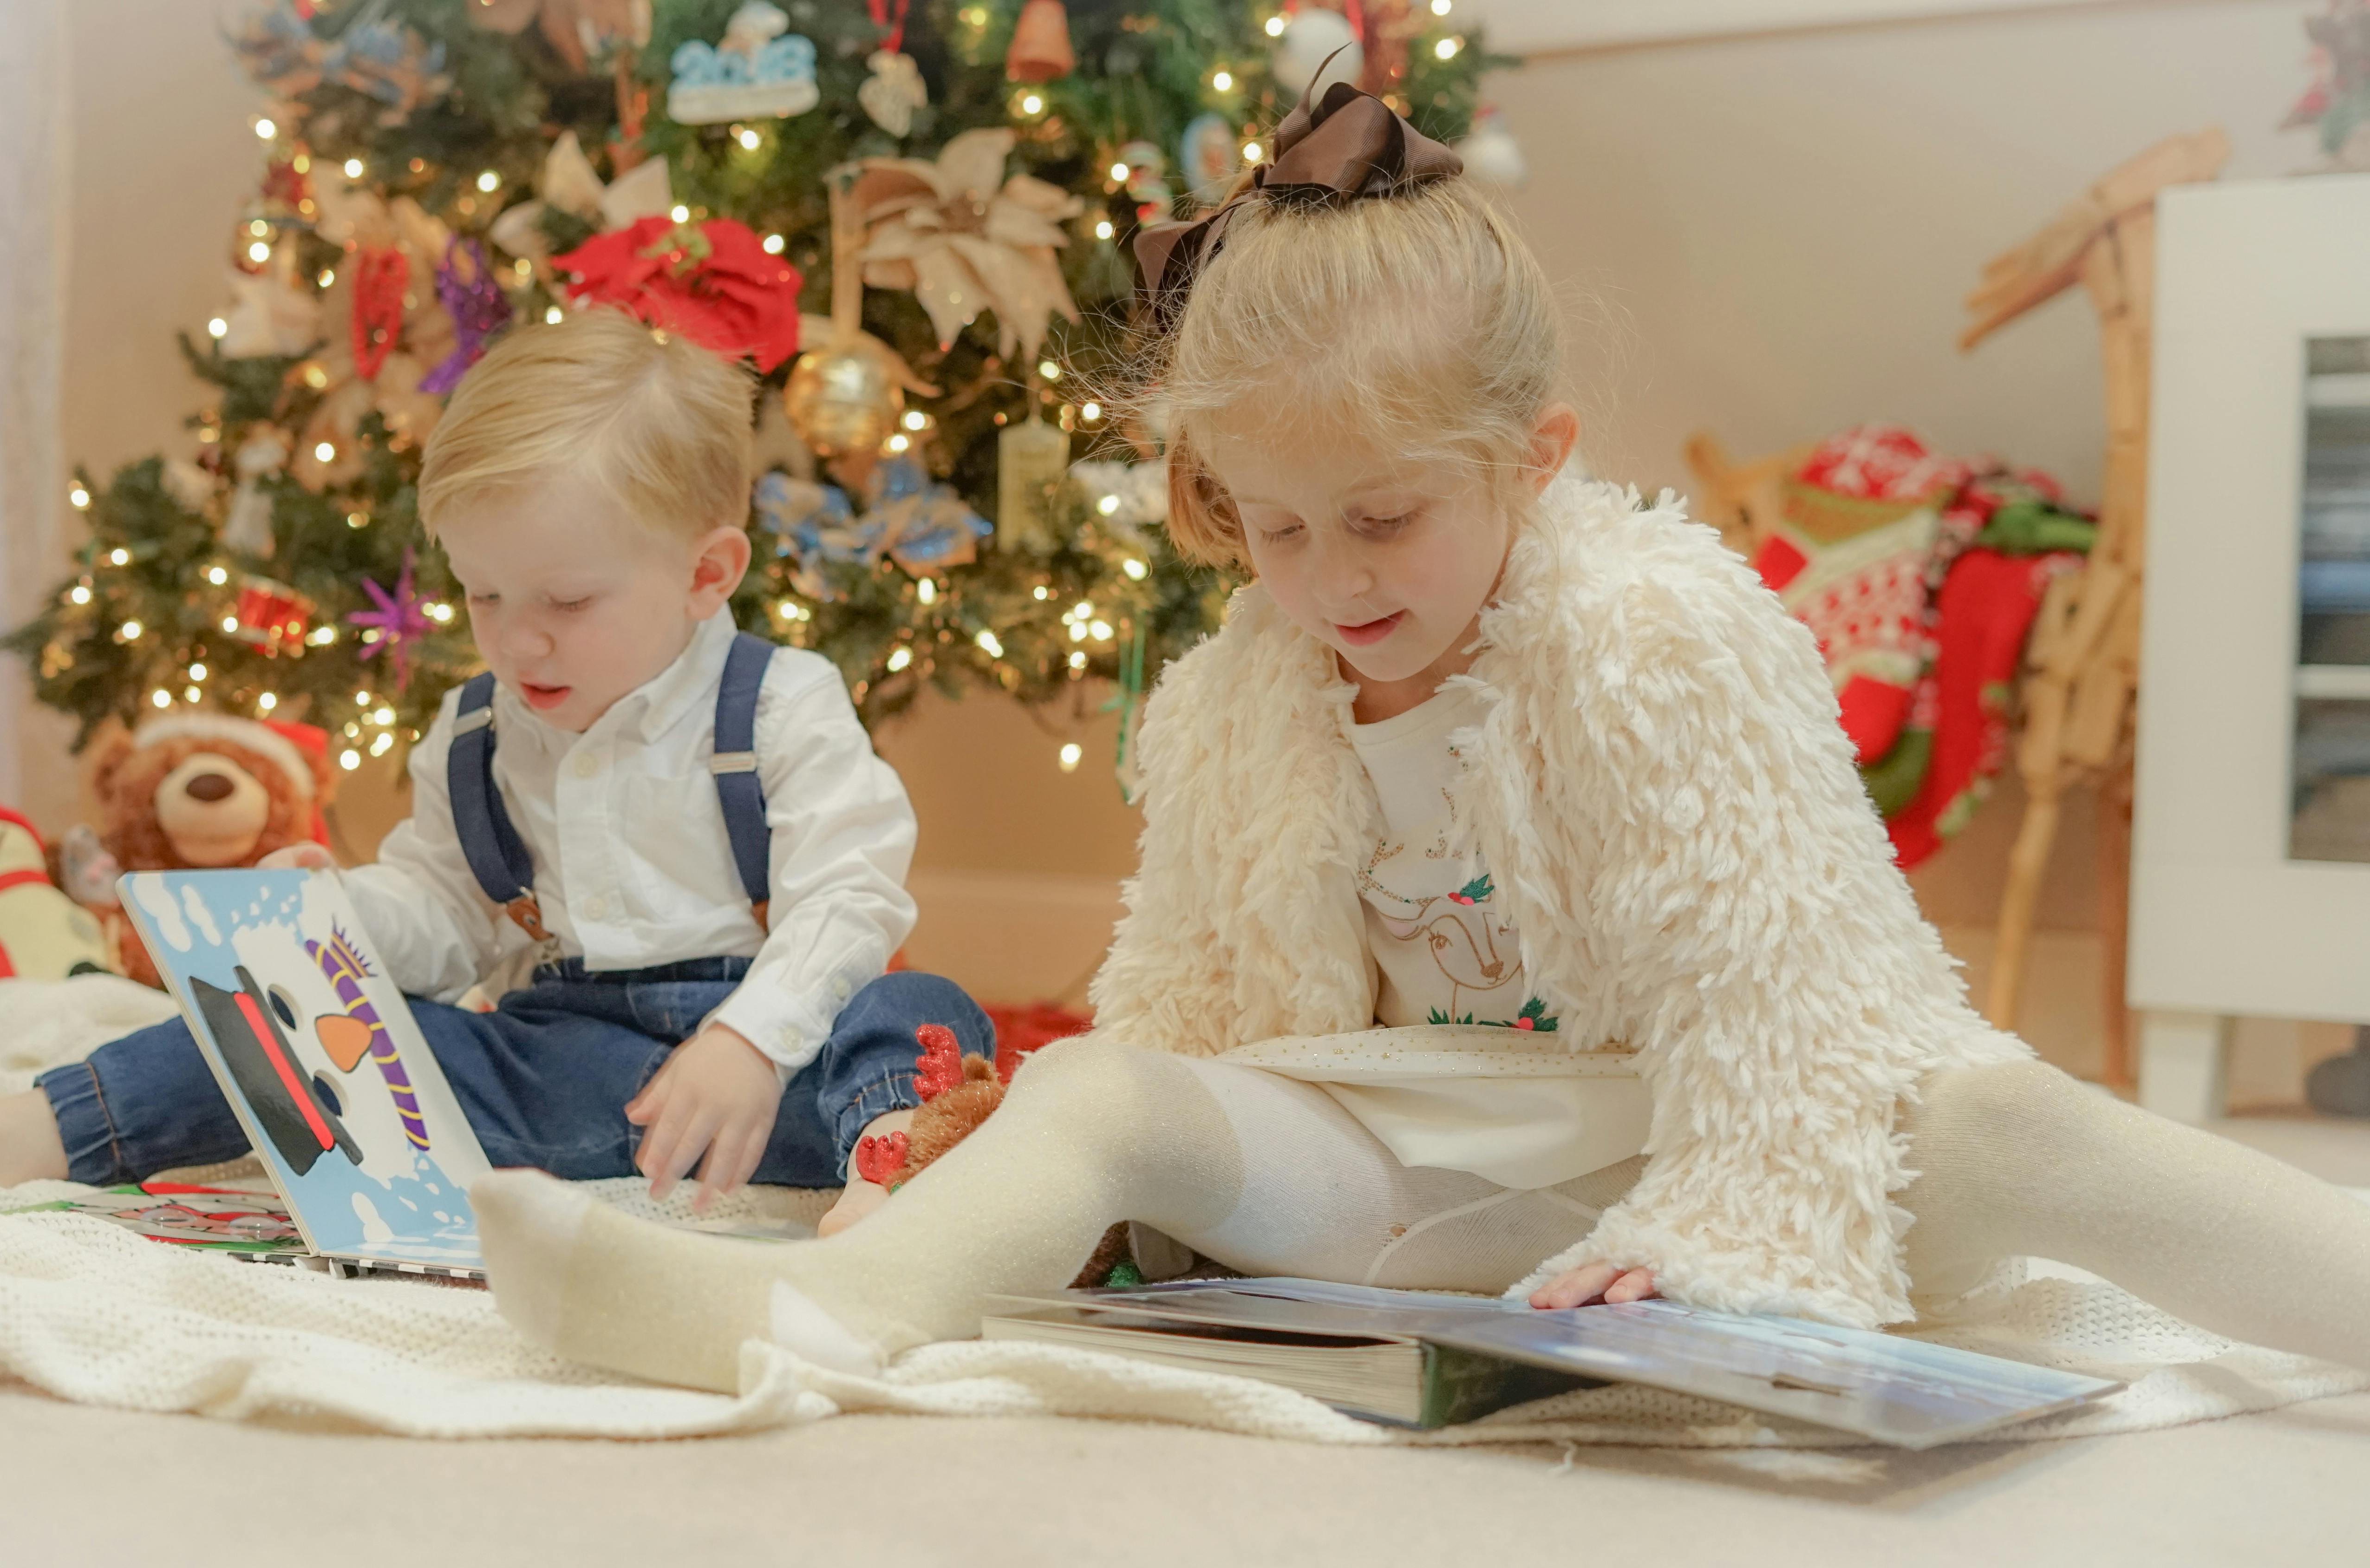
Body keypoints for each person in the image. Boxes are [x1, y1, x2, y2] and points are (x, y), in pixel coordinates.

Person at [464, 83, 2370, 1396]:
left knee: (1995, 1114)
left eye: (1384, 521)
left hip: (1688, 1125)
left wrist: (1732, 1228)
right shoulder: (1245, 693)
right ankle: (802, 1317)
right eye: (1268, 529)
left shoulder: (1658, 639)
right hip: (1413, 1155)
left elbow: (1794, 984)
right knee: (1098, 1091)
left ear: (1530, 460)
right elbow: (1195, 992)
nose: (1327, 583)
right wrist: (1093, 1171)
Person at [0, 306, 991, 1234]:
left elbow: (851, 892)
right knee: (295, 1023)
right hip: (566, 1063)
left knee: (919, 1010)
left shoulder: (780, 703)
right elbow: (449, 910)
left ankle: (886, 1202)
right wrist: (335, 913)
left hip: (776, 1068)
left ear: (706, 572)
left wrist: (749, 1040)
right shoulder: (482, 728)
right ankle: (1, 1139)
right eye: (484, 594)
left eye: (567, 601)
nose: (516, 635)